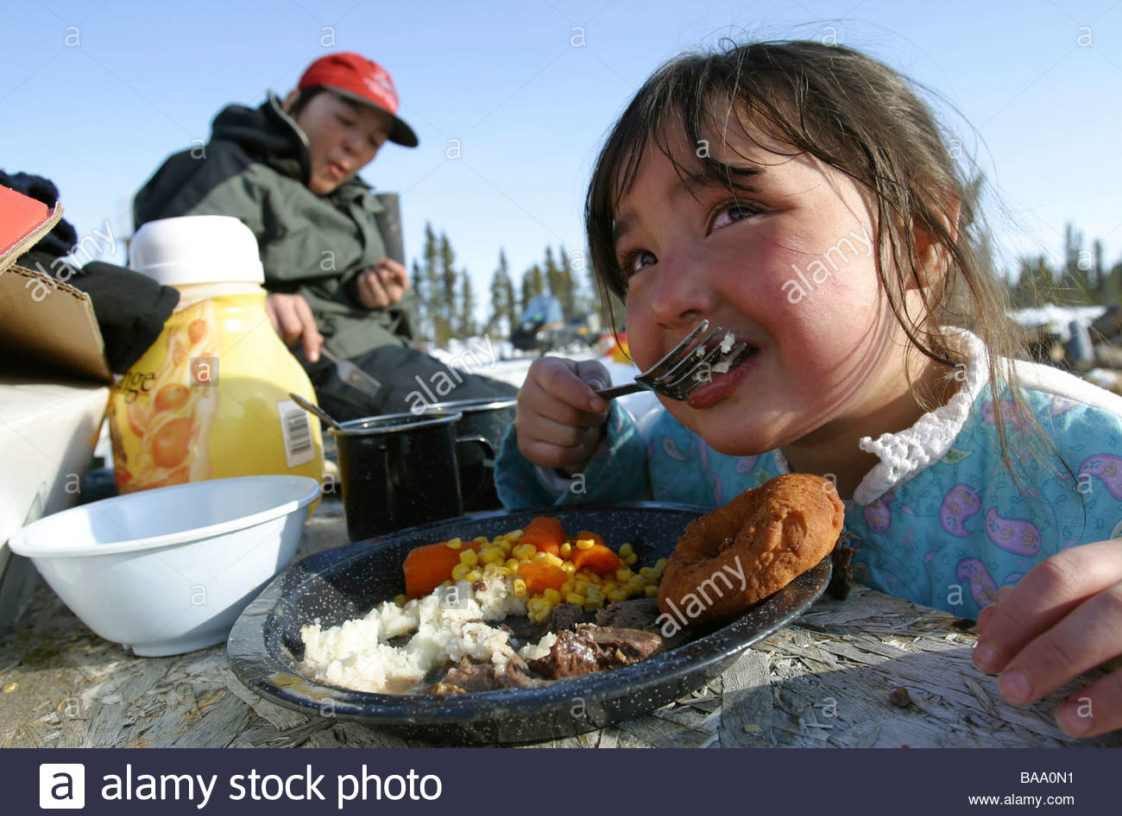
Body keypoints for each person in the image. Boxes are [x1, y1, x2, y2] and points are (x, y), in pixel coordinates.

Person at [494, 40, 1122, 738]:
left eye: (734, 212)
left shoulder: (1089, 462)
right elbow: (586, 520)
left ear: (917, 241)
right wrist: (573, 447)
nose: (667, 297)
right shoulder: (676, 456)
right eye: (639, 258)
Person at [133, 51, 514, 421]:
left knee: (526, 410)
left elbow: (371, 315)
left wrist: (372, 293)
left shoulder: (353, 201)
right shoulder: (226, 170)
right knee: (505, 430)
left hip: (383, 359)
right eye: (345, 120)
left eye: (374, 142)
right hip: (307, 365)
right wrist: (252, 308)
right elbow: (159, 293)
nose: (356, 146)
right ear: (295, 101)